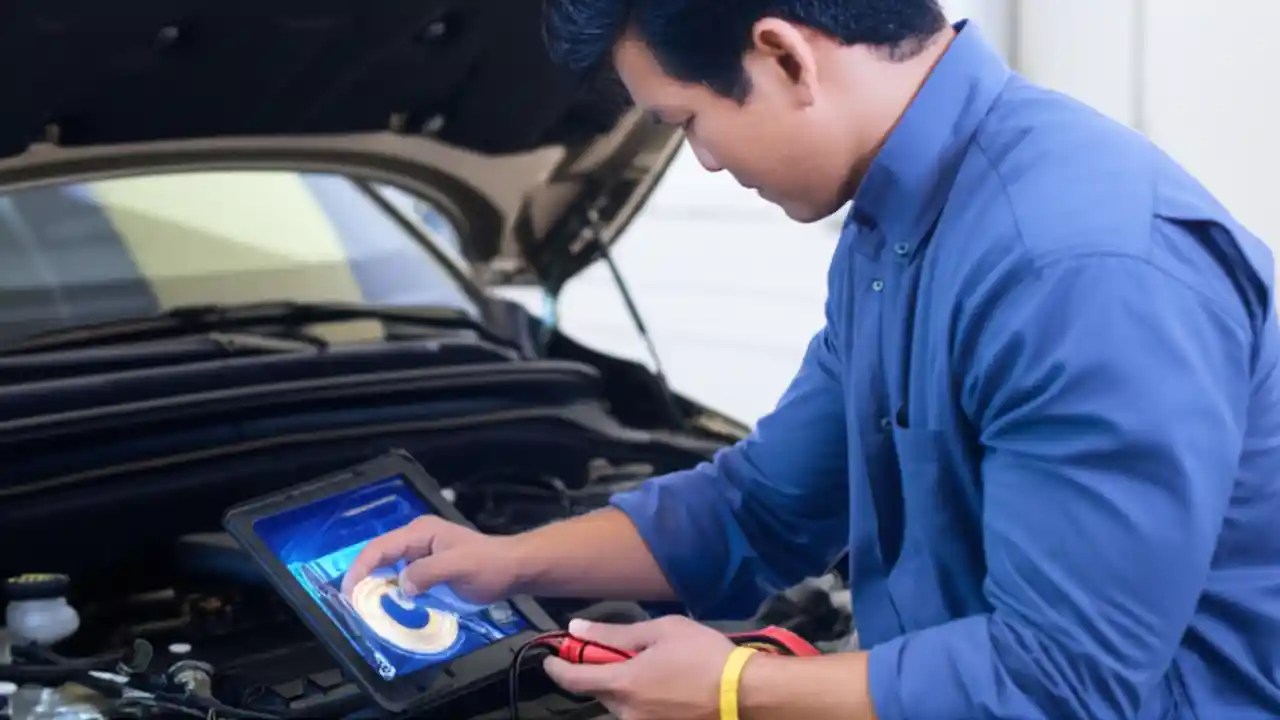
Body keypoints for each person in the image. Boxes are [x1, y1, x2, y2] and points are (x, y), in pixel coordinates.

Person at [343, 2, 1280, 718]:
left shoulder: (1073, 268)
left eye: (684, 122)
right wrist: (510, 564)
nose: (705, 162)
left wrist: (735, 688)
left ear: (785, 55)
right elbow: (762, 505)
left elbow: (1065, 682)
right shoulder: (897, 228)